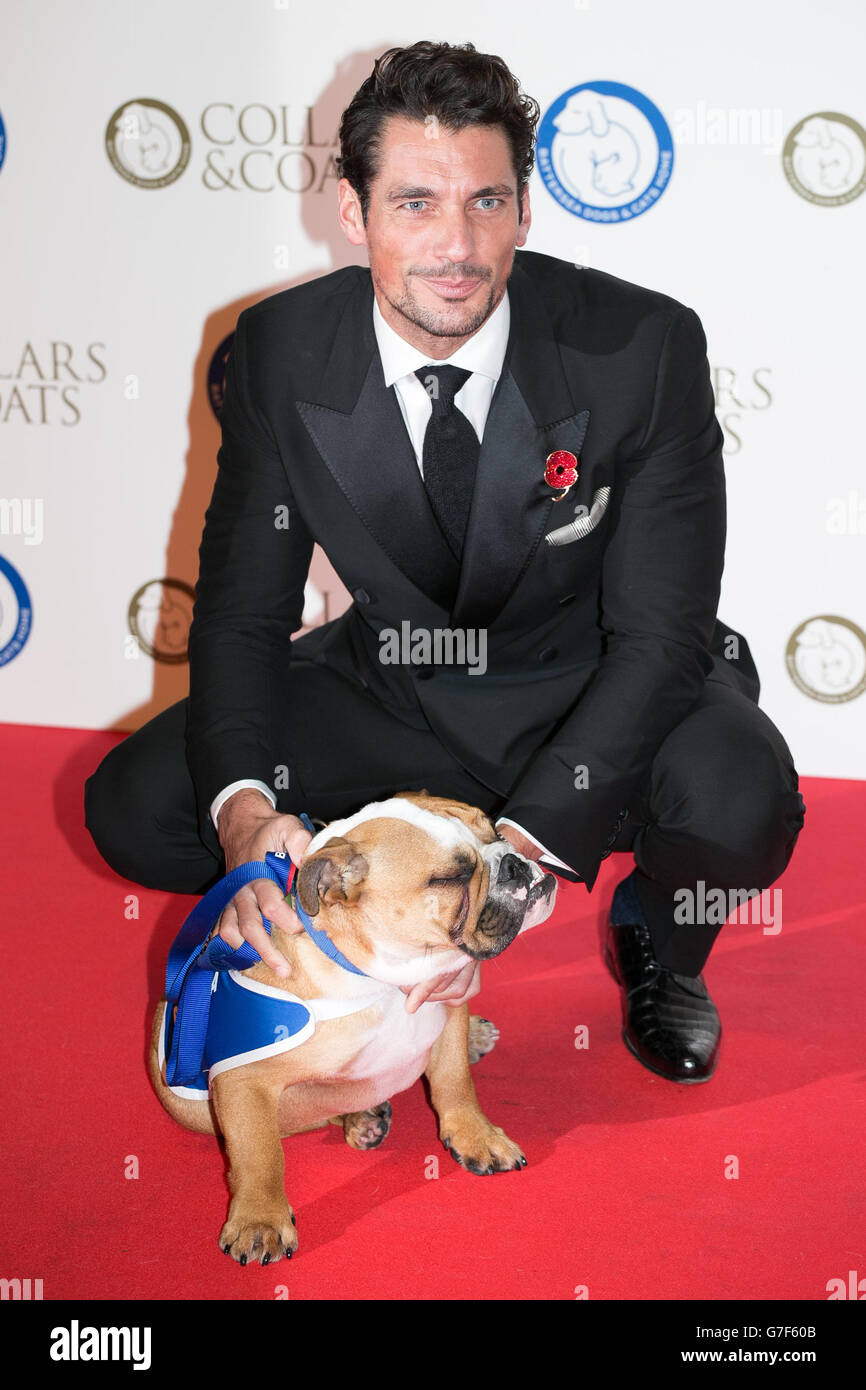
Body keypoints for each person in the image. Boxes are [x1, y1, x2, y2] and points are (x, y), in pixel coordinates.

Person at [85, 40, 805, 1082]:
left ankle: (660, 937)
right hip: (394, 689)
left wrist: (510, 865)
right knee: (140, 804)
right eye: (416, 203)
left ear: (523, 209)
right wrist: (248, 816)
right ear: (353, 211)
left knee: (738, 800)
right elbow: (243, 610)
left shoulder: (639, 349)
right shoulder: (280, 352)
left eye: (486, 202)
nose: (456, 244)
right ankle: (363, 918)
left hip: (588, 683)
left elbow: (658, 637)